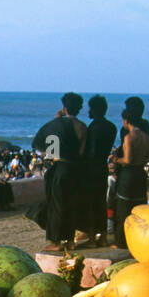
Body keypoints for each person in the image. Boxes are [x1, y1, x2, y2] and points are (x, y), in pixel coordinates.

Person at [32, 93, 88, 253]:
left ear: (64, 108)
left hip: (60, 169)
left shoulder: (54, 125)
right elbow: (82, 151)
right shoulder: (82, 127)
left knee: (56, 205)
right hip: (75, 169)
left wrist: (57, 121)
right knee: (71, 204)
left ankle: (56, 241)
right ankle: (70, 240)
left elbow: (48, 151)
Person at [109, 102, 149, 247]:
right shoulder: (146, 136)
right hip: (141, 173)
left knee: (123, 210)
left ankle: (121, 242)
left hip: (129, 175)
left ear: (126, 121)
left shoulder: (129, 137)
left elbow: (127, 160)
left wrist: (115, 159)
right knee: (139, 209)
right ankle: (140, 240)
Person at [83, 95, 117, 247]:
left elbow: (92, 150)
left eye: (90, 108)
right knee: (101, 203)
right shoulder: (111, 127)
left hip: (91, 168)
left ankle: (91, 238)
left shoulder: (93, 127)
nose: (88, 111)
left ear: (95, 109)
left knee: (91, 204)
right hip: (102, 167)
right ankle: (102, 237)